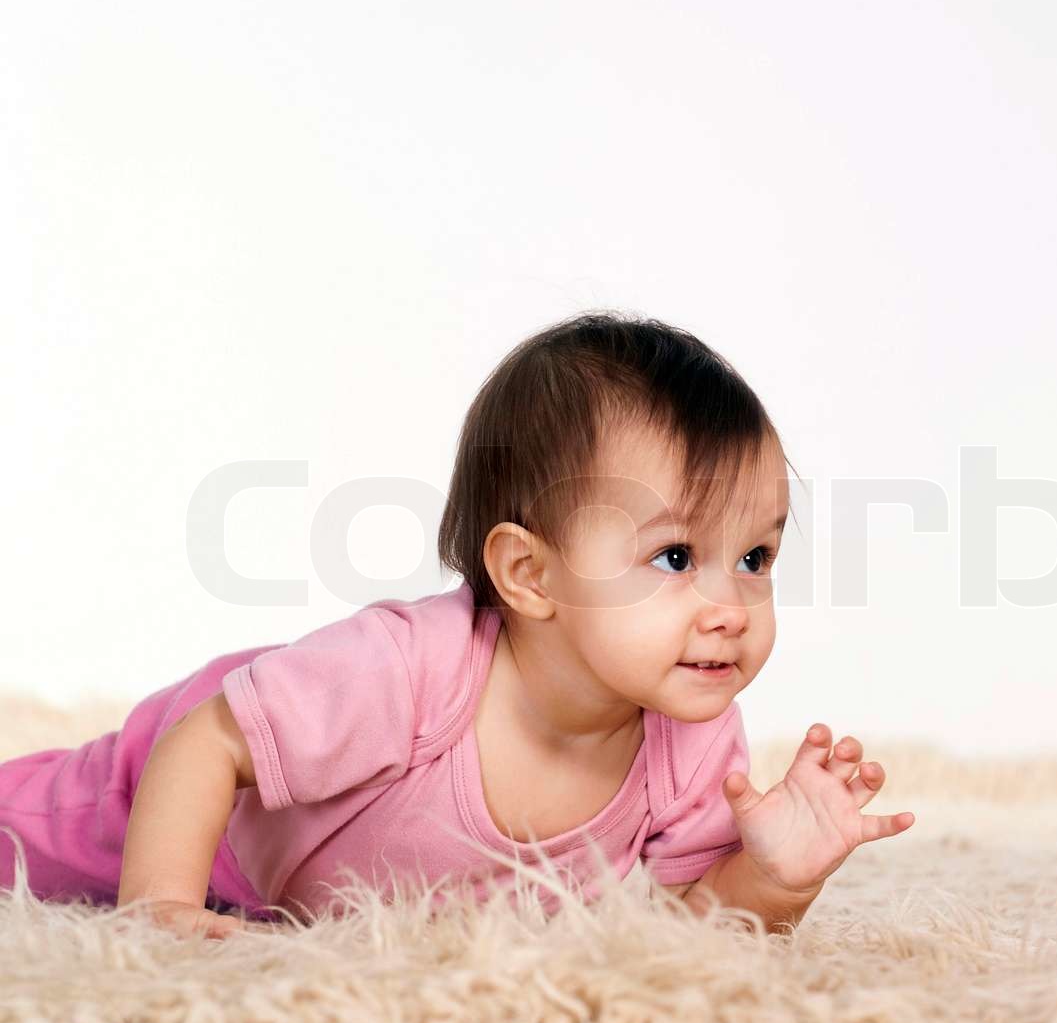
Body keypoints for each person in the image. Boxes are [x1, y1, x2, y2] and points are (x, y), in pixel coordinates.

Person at [0, 312, 914, 940]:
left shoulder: (694, 738)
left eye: (755, 558)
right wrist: (159, 904)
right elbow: (209, 744)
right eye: (675, 557)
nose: (731, 608)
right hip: (205, 800)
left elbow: (675, 933)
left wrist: (774, 881)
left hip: (292, 901)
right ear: (529, 573)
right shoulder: (409, 669)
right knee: (29, 840)